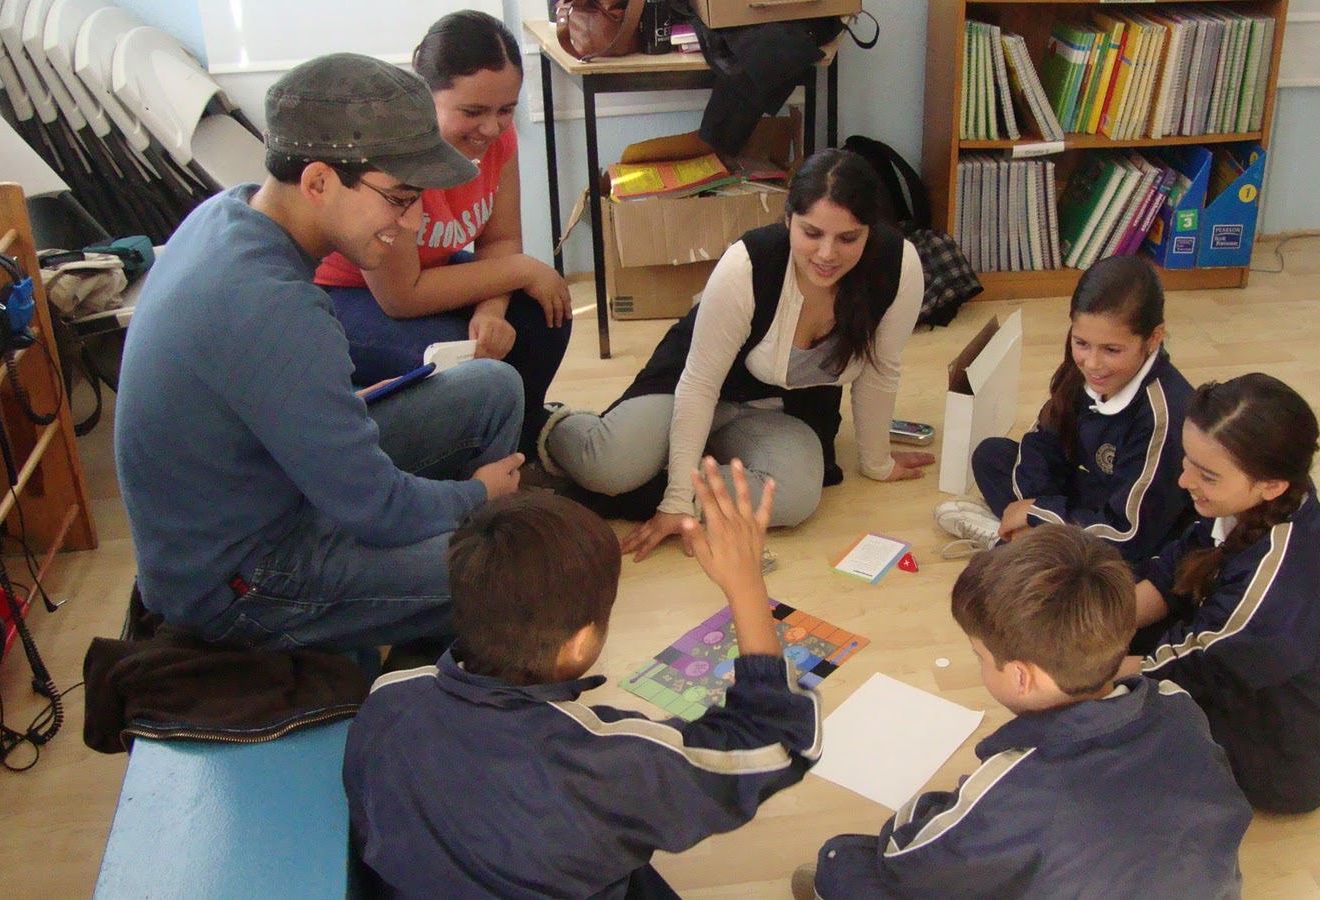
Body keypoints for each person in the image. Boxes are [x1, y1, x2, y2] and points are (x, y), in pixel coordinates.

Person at [114, 53, 525, 652]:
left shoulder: (229, 210)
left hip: (272, 490)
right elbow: (376, 508)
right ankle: (439, 667)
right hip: (241, 582)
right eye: (399, 198)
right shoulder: (270, 305)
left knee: (492, 388)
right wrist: (477, 495)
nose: (411, 223)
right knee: (515, 574)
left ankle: (437, 615)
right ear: (317, 182)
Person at [342, 458, 821, 897]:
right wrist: (746, 585)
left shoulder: (387, 700)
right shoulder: (606, 767)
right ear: (579, 642)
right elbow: (780, 742)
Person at [798, 524, 1250, 898]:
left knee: (841, 863)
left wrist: (941, 806)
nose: (978, 663)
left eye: (979, 655)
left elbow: (907, 860)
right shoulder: (1178, 704)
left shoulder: (1016, 786)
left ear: (1020, 676)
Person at [540, 148, 931, 560]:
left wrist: (877, 463)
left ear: (870, 231)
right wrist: (676, 499)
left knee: (796, 498)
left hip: (779, 411)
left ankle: (661, 474)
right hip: (692, 386)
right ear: (788, 220)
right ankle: (551, 425)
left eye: (848, 238)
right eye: (811, 233)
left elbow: (879, 370)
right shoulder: (748, 264)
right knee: (609, 466)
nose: (827, 254)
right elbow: (699, 383)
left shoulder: (897, 266)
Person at [314, 10, 572, 455]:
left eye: (506, 110)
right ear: (422, 99)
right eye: (472, 111)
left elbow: (499, 241)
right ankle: (458, 467)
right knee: (458, 355)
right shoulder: (394, 153)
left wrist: (493, 309)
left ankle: (520, 448)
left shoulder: (497, 141)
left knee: (547, 311)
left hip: (427, 273)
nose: (491, 127)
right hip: (348, 294)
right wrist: (521, 271)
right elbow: (401, 296)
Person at [1123, 374, 1320, 814]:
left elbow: (1192, 667)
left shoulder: (1280, 583)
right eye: (1187, 462)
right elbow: (1175, 569)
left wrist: (1077, 671)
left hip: (1289, 761)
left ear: (1271, 485)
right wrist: (1095, 627)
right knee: (1108, 636)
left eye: (1206, 475)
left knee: (1107, 725)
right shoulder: (1252, 502)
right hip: (1237, 668)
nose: (1185, 481)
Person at [933, 255, 1193, 563]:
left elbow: (1130, 534)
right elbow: (1044, 440)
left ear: (1153, 338)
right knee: (992, 456)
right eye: (1081, 342)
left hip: (1143, 531)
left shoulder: (1162, 416)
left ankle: (1018, 546)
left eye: (1112, 350)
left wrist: (1035, 514)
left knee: (1121, 572)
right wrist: (1035, 506)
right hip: (1099, 496)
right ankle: (1031, 546)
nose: (1092, 364)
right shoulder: (1085, 369)